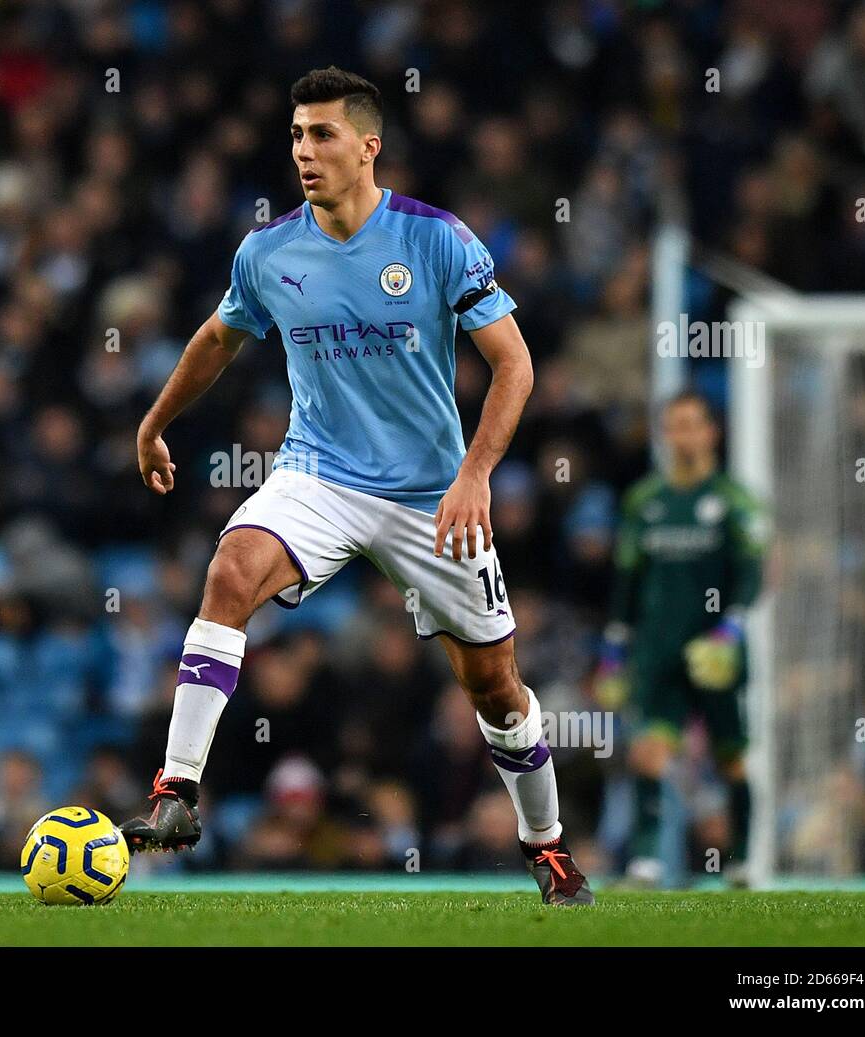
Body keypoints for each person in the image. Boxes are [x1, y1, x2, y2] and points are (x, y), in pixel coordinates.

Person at [121, 67, 593, 905]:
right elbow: (216, 340)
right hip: (319, 475)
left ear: (368, 146)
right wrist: (155, 423)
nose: (305, 150)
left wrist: (475, 474)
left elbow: (514, 363)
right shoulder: (268, 251)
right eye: (298, 135)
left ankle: (548, 846)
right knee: (229, 572)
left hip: (430, 496)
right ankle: (177, 793)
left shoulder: (437, 239)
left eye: (324, 134)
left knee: (495, 686)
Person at [594, 390, 767, 885]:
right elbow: (627, 582)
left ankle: (741, 861)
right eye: (674, 425)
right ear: (665, 434)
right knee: (648, 752)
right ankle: (646, 862)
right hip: (658, 651)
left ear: (711, 432)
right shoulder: (644, 502)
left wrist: (729, 628)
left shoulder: (735, 500)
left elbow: (750, 574)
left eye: (692, 424)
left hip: (715, 653)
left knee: (729, 757)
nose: (683, 434)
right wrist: (613, 650)